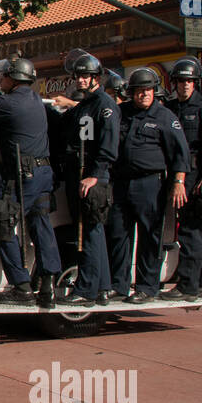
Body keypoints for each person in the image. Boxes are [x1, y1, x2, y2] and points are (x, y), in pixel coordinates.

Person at [0, 57, 61, 307]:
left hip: (22, 176)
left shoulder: (9, 104)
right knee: (41, 226)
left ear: (12, 78)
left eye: (4, 78)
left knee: (2, 222)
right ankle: (47, 285)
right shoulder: (34, 100)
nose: (2, 82)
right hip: (44, 173)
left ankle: (21, 287)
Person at [106, 68, 189, 304]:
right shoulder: (122, 113)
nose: (144, 94)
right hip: (121, 183)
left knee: (149, 238)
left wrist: (178, 182)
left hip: (150, 184)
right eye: (140, 90)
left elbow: (180, 155)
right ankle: (118, 285)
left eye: (149, 90)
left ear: (155, 91)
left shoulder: (165, 117)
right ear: (131, 92)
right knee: (119, 235)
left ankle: (146, 288)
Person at [51, 50, 120, 307]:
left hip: (91, 179)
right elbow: (63, 124)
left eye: (85, 76)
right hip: (77, 175)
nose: (80, 80)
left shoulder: (105, 106)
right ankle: (101, 287)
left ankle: (87, 290)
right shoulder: (84, 105)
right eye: (78, 76)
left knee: (88, 234)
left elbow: (108, 147)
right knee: (92, 233)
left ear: (96, 78)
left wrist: (95, 175)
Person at [162, 57, 202, 301]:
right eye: (181, 81)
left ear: (195, 83)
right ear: (175, 82)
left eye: (190, 81)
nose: (186, 85)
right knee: (197, 230)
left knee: (189, 230)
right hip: (175, 173)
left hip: (195, 176)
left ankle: (187, 286)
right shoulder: (170, 107)